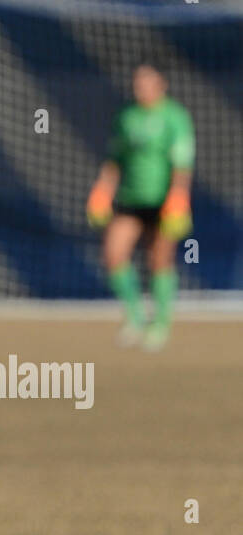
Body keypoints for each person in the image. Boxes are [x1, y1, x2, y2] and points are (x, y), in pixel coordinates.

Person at [86, 62, 195, 352]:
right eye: (137, 82)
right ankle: (135, 317)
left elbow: (182, 163)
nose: (141, 87)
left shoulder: (175, 117)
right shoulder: (126, 116)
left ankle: (160, 324)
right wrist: (102, 190)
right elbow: (115, 159)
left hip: (164, 202)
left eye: (147, 81)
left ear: (162, 83)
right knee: (113, 254)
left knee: (158, 260)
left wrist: (178, 196)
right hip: (131, 200)